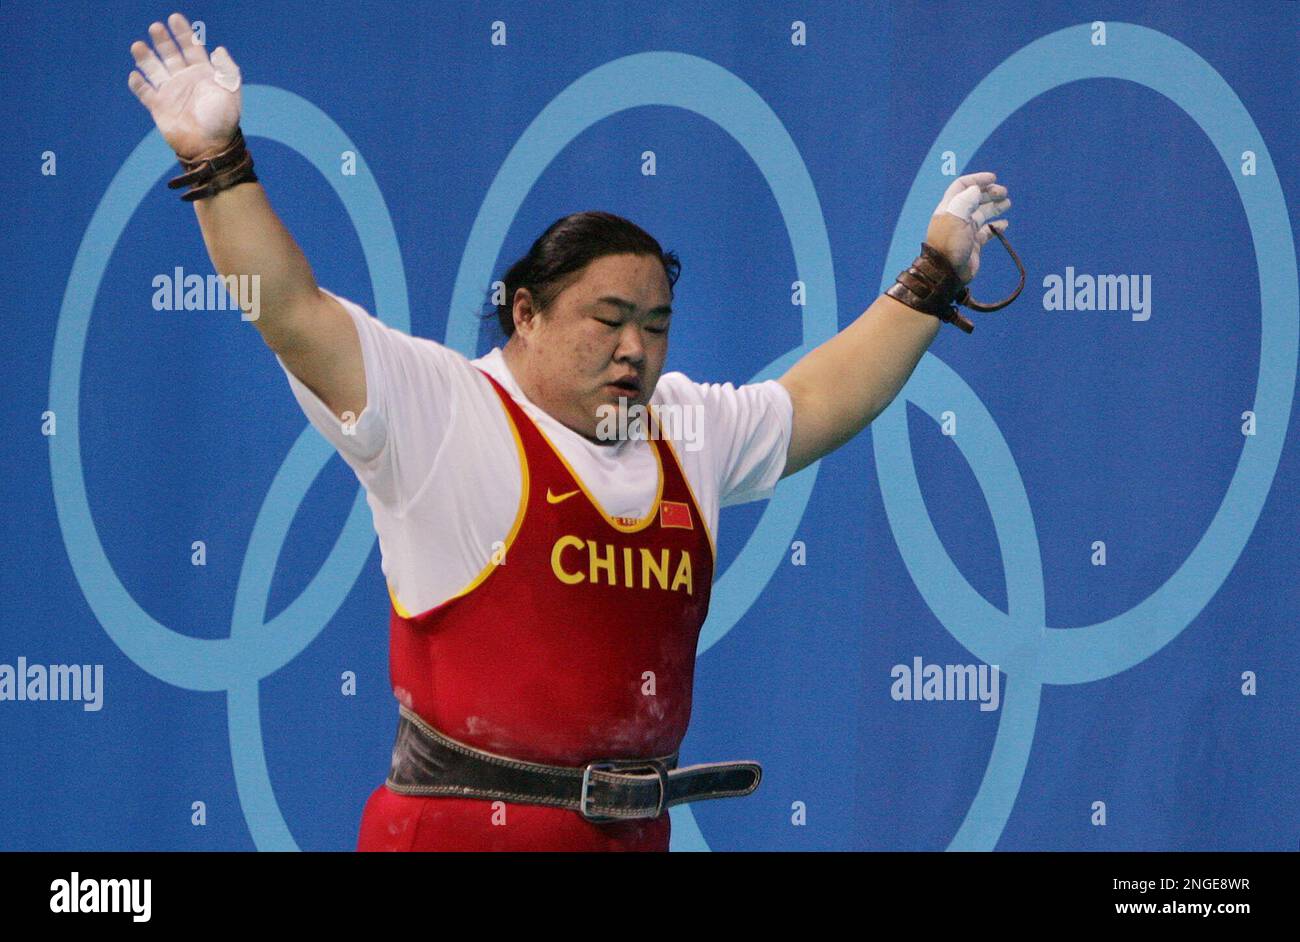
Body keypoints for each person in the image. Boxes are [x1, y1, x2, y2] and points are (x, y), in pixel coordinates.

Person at [128, 12, 1012, 852]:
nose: (637, 348)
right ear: (527, 314)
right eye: (609, 318)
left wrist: (932, 280)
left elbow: (820, 399)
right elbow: (286, 311)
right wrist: (218, 164)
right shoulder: (441, 411)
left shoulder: (682, 427)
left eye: (658, 324)